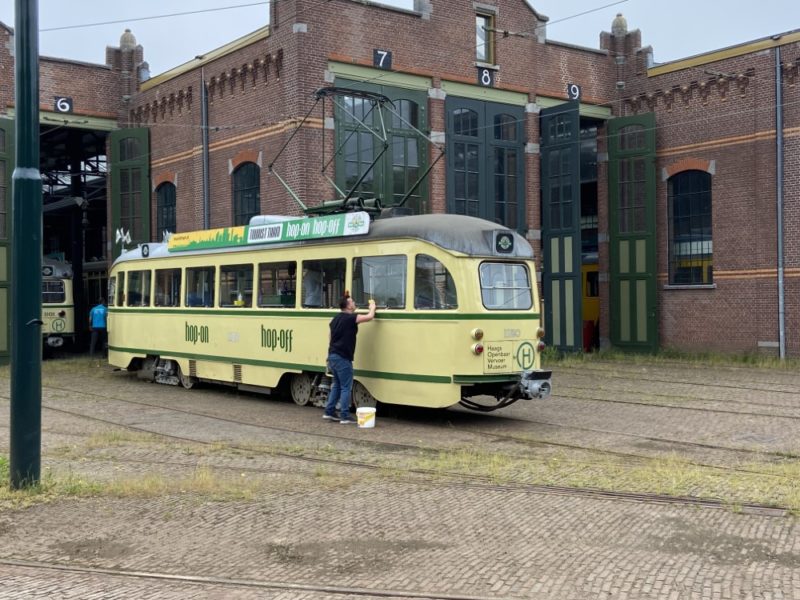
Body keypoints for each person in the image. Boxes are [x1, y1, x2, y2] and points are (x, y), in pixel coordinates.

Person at [323, 294, 376, 424]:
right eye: (352, 302)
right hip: (343, 358)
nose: (354, 303)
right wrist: (372, 307)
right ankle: (344, 415)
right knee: (346, 387)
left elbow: (330, 337)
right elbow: (369, 317)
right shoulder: (351, 318)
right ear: (347, 305)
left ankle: (329, 412)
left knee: (336, 385)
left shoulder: (335, 319)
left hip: (333, 356)